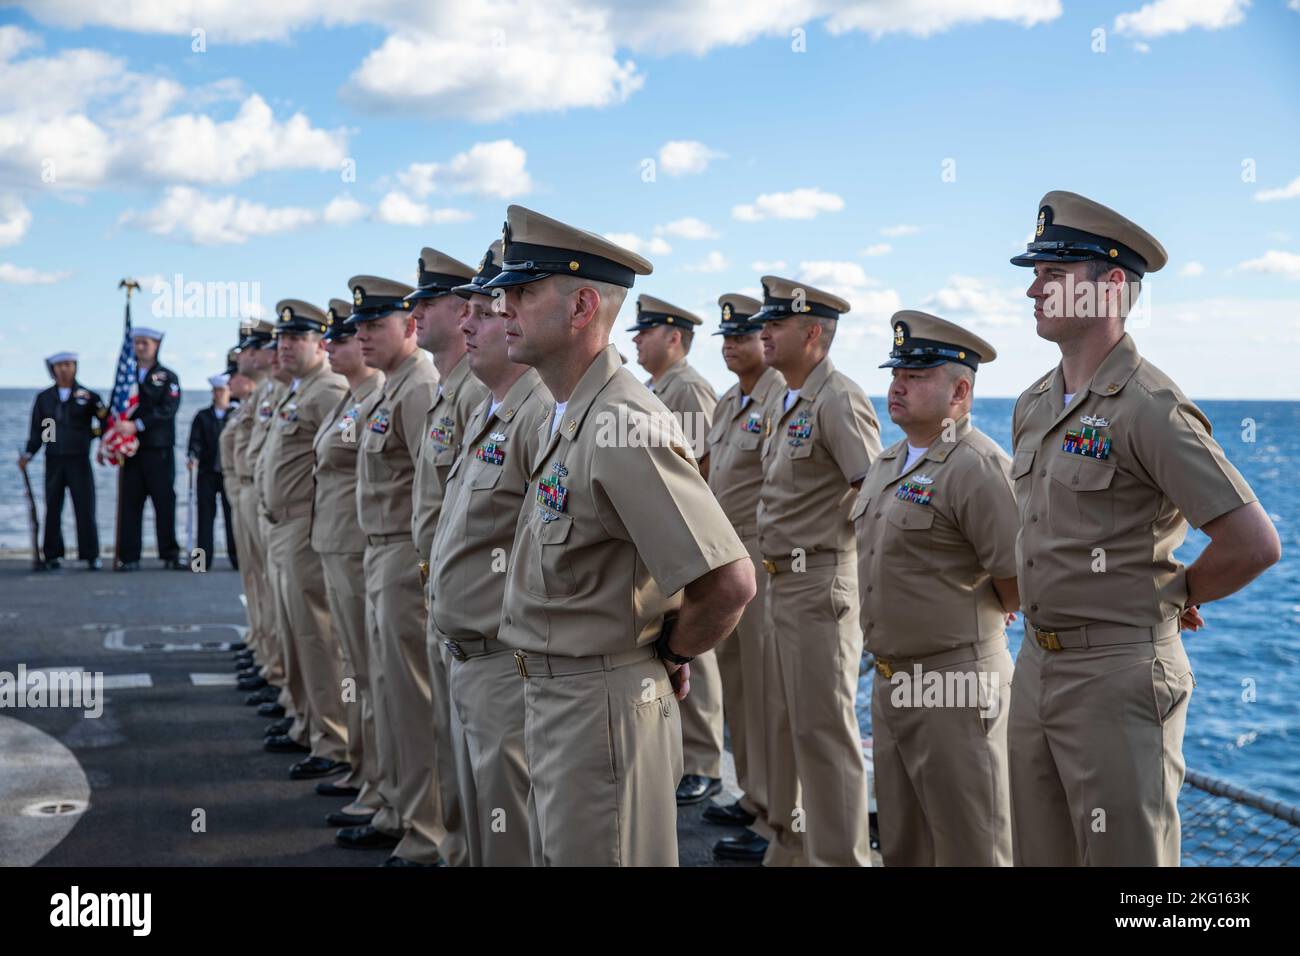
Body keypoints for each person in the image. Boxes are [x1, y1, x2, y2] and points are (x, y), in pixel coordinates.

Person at [1006, 190, 1281, 866]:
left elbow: (1254, 544)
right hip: (1036, 666)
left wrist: (1175, 595)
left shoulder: (1151, 408)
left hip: (1117, 675)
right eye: (1035, 274)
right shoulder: (1034, 403)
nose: (1034, 289)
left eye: (1054, 273)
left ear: (1113, 286)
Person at [484, 204, 755, 866]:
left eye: (522, 292)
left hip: (600, 710)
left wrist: (668, 655)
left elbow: (727, 581)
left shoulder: (624, 423)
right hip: (562, 699)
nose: (501, 307)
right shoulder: (571, 413)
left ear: (580, 308)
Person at [853, 309, 1019, 866]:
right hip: (892, 679)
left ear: (961, 390)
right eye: (896, 373)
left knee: (974, 843)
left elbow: (1017, 582)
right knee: (904, 844)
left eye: (917, 376)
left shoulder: (979, 466)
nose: (897, 385)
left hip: (955, 684)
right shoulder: (887, 461)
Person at [428, 241, 551, 866]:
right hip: (468, 657)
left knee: (512, 841)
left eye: (485, 308)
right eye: (468, 308)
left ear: (517, 321)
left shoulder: (539, 416)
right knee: (485, 836)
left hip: (509, 665)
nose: (467, 322)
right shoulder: (491, 409)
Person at [754, 274, 881, 866]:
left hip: (820, 585)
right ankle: (789, 849)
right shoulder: (788, 398)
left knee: (826, 738)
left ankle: (839, 860)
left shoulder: (838, 398)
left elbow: (874, 492)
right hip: (783, 584)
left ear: (813, 334)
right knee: (787, 727)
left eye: (775, 324)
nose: (763, 333)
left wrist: (832, 536)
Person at [335, 275, 443, 867]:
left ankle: (426, 829)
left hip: (404, 555)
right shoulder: (388, 389)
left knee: (410, 697)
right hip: (378, 552)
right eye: (361, 327)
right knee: (386, 691)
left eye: (375, 324)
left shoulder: (418, 388)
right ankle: (399, 808)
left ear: (408, 326)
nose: (362, 335)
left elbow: (433, 488)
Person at [628, 294, 727, 806]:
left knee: (697, 657)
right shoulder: (655, 388)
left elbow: (696, 470)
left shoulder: (687, 388)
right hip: (662, 541)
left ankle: (705, 763)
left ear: (673, 337)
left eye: (645, 332)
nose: (637, 340)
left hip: (684, 537)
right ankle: (691, 758)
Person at [702, 295, 787, 862]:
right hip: (727, 555)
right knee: (738, 686)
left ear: (768, 340)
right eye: (727, 338)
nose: (733, 345)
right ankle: (755, 797)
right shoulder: (732, 399)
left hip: (762, 557)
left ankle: (776, 815)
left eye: (745, 335)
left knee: (766, 694)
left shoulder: (782, 397)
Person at [408, 246, 484, 868]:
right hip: (439, 588)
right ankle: (449, 847)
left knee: (484, 761)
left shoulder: (477, 398)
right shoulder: (449, 393)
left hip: (481, 611)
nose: (419, 314)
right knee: (446, 737)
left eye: (428, 302)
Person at [257, 301, 350, 781]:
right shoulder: (301, 391)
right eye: (282, 339)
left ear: (319, 344)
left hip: (305, 526)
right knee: (296, 634)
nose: (285, 346)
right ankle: (308, 722)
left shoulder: (327, 389)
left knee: (316, 639)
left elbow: (342, 465)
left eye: (297, 338)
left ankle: (332, 738)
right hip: (282, 525)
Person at [310, 298, 389, 823]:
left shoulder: (385, 393)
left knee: (373, 674)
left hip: (366, 545)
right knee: (358, 669)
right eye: (344, 335)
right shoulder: (356, 398)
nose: (345, 343)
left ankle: (384, 789)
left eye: (358, 332)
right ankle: (366, 774)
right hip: (342, 538)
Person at [19, 351, 107, 570]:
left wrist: (93, 436)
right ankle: (52, 555)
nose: (64, 369)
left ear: (75, 366)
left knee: (85, 508)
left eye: (68, 364)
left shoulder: (89, 396)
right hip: (54, 459)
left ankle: (90, 555)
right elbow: (38, 431)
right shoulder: (45, 399)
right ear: (52, 369)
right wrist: (29, 454)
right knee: (53, 507)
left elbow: (105, 423)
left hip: (79, 459)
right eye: (59, 365)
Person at [115, 328, 183, 571]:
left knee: (164, 502)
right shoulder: (125, 376)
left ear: (156, 345)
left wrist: (138, 425)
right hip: (131, 452)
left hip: (159, 449)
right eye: (137, 343)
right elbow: (116, 408)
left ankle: (170, 554)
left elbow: (168, 410)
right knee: (130, 504)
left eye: (146, 343)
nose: (141, 347)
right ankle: (129, 556)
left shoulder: (168, 377)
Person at [187, 373, 238, 570]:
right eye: (216, 391)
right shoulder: (202, 416)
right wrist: (192, 456)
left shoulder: (236, 415)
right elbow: (195, 441)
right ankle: (201, 562)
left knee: (232, 517)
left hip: (228, 472)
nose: (218, 395)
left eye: (222, 391)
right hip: (207, 472)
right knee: (204, 518)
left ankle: (237, 560)